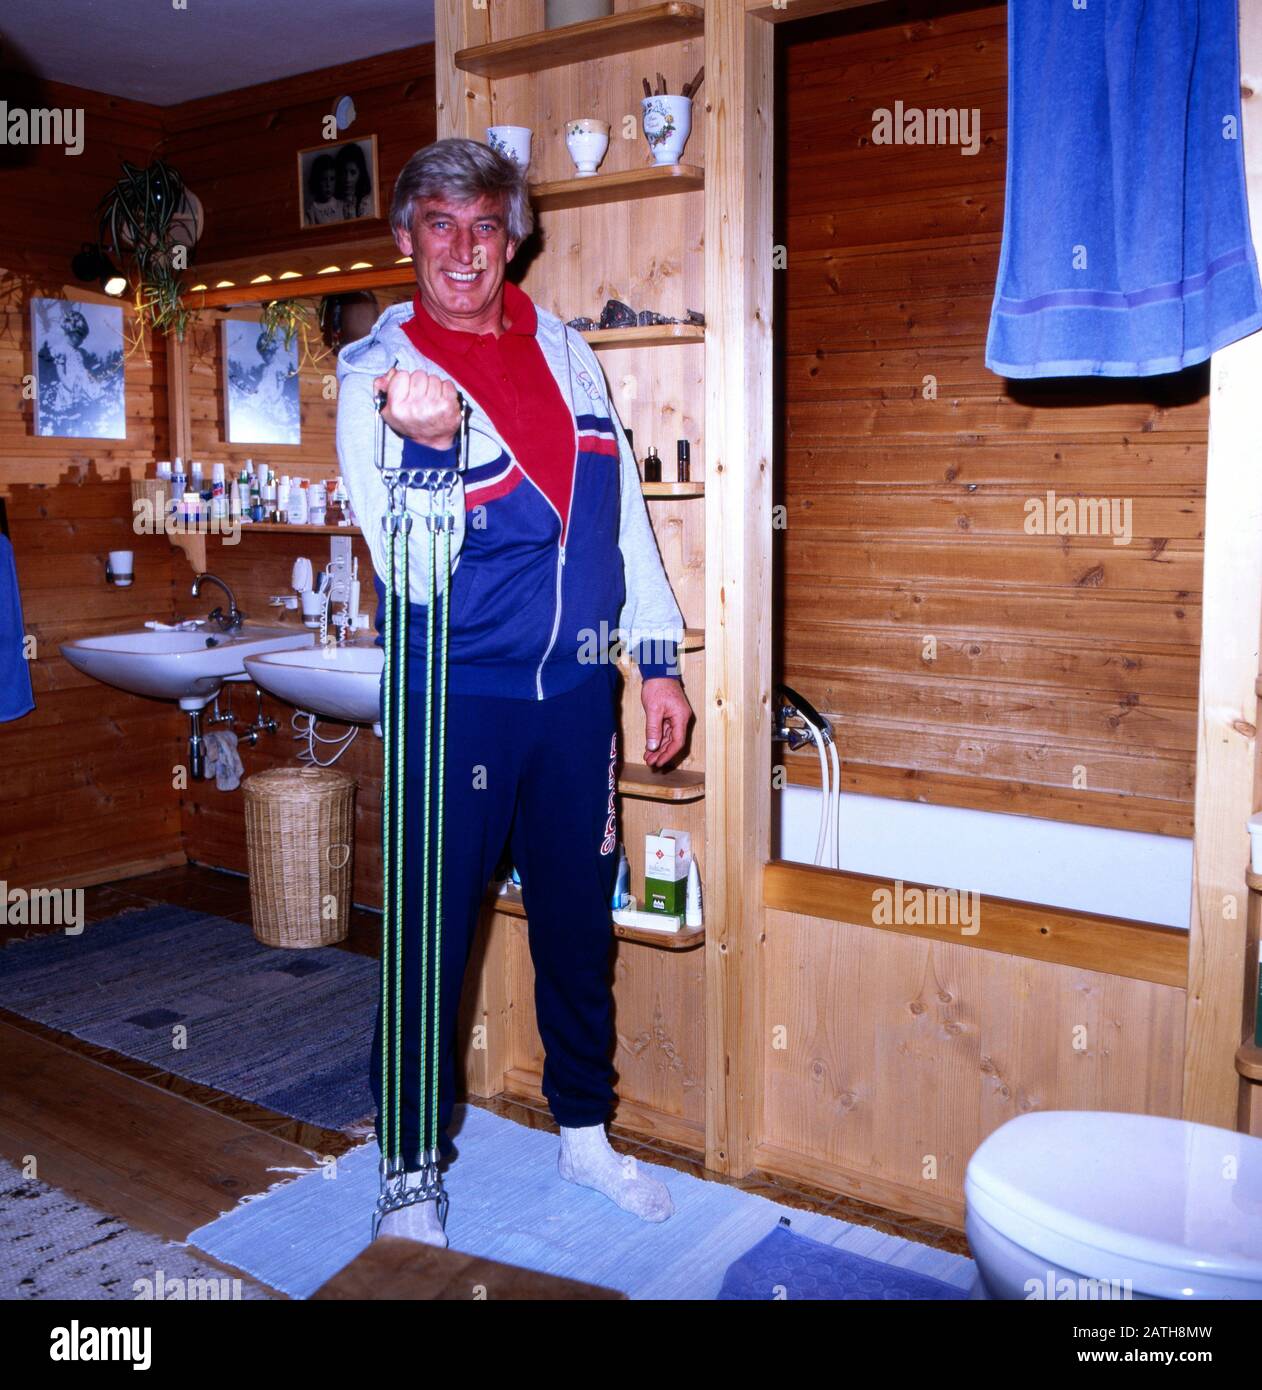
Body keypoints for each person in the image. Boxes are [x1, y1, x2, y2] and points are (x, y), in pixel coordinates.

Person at [336, 137, 693, 1248]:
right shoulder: (378, 377)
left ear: (512, 241)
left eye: (483, 226)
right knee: (429, 939)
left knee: (579, 928)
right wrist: (431, 449)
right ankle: (409, 1172)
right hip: (455, 698)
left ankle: (584, 1134)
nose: (462, 250)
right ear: (407, 239)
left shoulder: (570, 356)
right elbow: (411, 573)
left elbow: (622, 520)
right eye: (438, 225)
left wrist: (658, 661)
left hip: (577, 693)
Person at [336, 141, 373, 220]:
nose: (347, 179)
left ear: (360, 174)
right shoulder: (334, 202)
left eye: (353, 173)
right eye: (344, 172)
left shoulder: (365, 202)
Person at [304, 154, 342, 225]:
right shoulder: (311, 212)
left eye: (332, 179)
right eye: (324, 179)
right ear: (316, 181)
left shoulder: (341, 205)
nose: (328, 184)